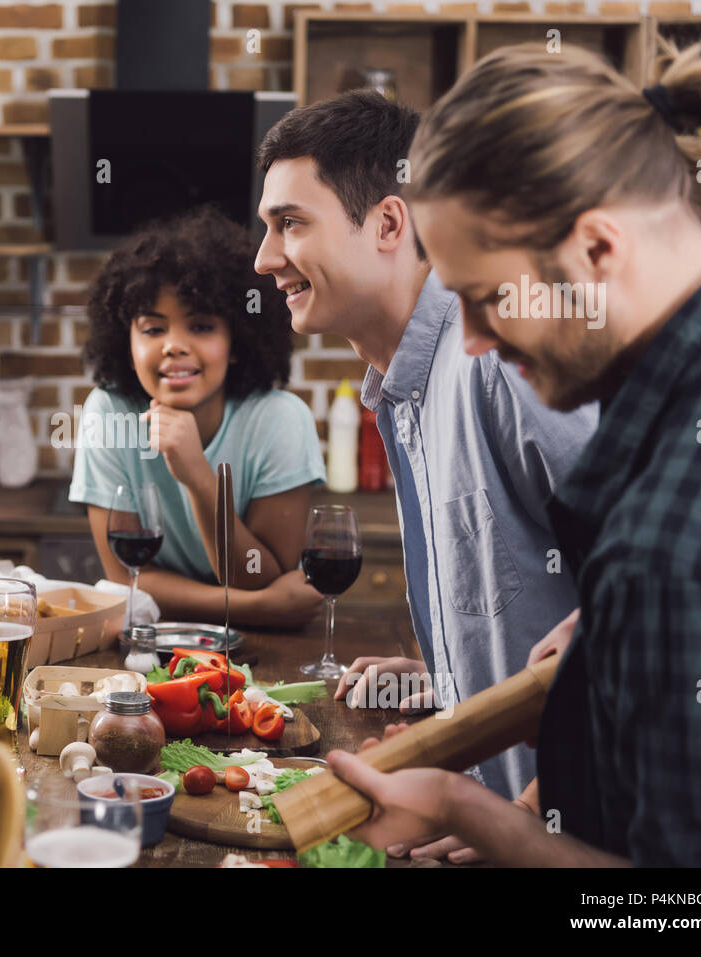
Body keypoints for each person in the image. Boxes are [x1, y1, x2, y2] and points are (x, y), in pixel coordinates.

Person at [326, 41, 701, 866]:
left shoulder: (667, 550)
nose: (477, 342)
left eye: (488, 300)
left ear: (597, 248)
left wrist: (471, 808)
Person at [253, 90, 596, 829]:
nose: (265, 257)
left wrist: (537, 813)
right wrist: (457, 677)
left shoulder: (499, 357)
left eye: (290, 223)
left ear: (387, 223)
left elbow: (665, 594)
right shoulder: (403, 392)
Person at [69, 206, 328, 629]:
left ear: (238, 340)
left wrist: (198, 477)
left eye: (202, 327)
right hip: (155, 646)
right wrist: (254, 608)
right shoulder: (108, 412)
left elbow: (266, 576)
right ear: (125, 343)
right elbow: (126, 580)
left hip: (265, 654)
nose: (174, 345)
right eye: (153, 329)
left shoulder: (280, 420)